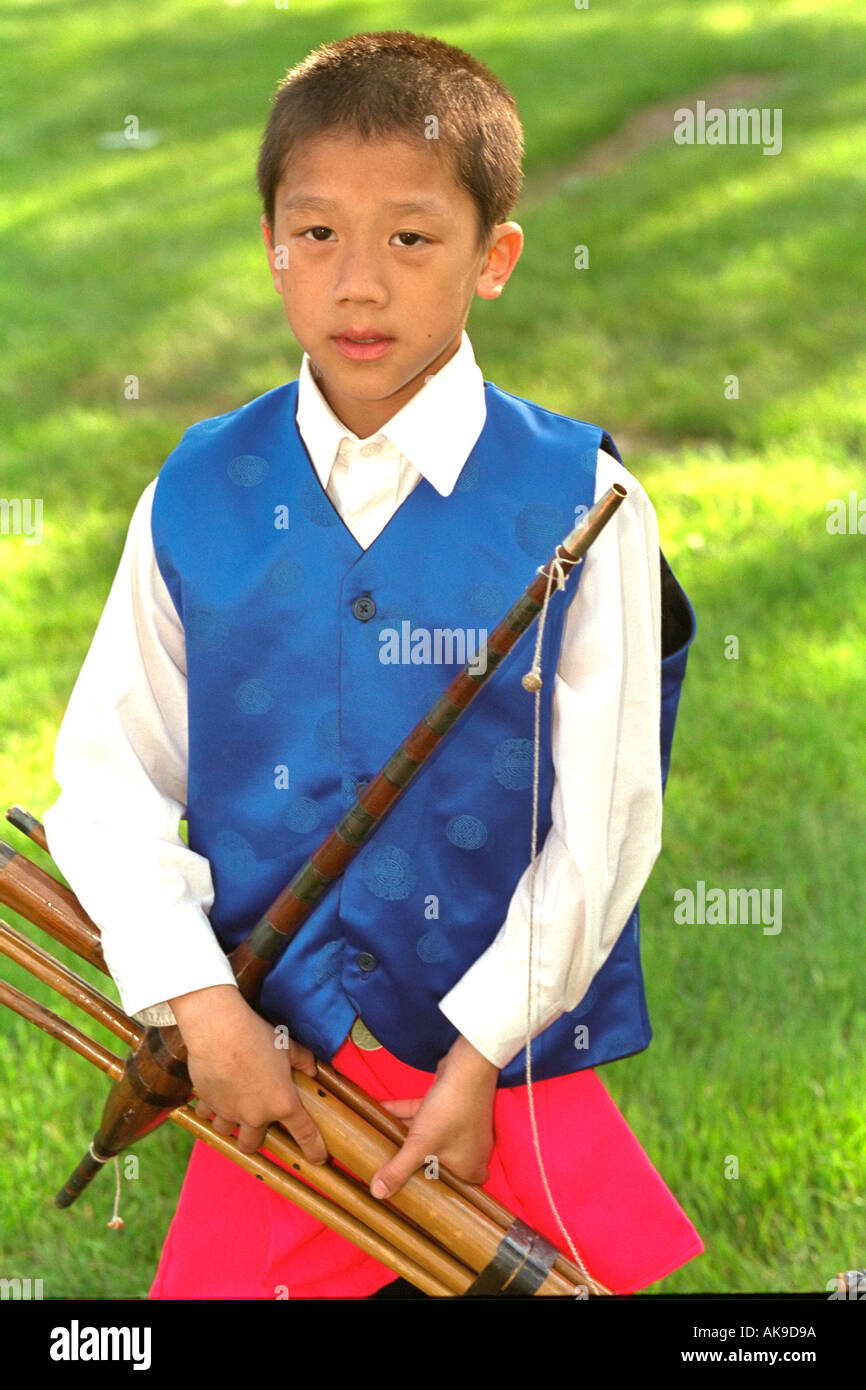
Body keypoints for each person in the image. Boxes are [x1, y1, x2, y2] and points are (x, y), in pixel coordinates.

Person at [43, 30, 703, 1298]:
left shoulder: (583, 501)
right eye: (316, 235)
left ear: (492, 256)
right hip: (272, 1074)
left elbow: (607, 822)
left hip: (493, 1076)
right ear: (269, 245)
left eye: (409, 239)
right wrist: (202, 1005)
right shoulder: (197, 489)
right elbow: (108, 770)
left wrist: (474, 1058)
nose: (358, 286)